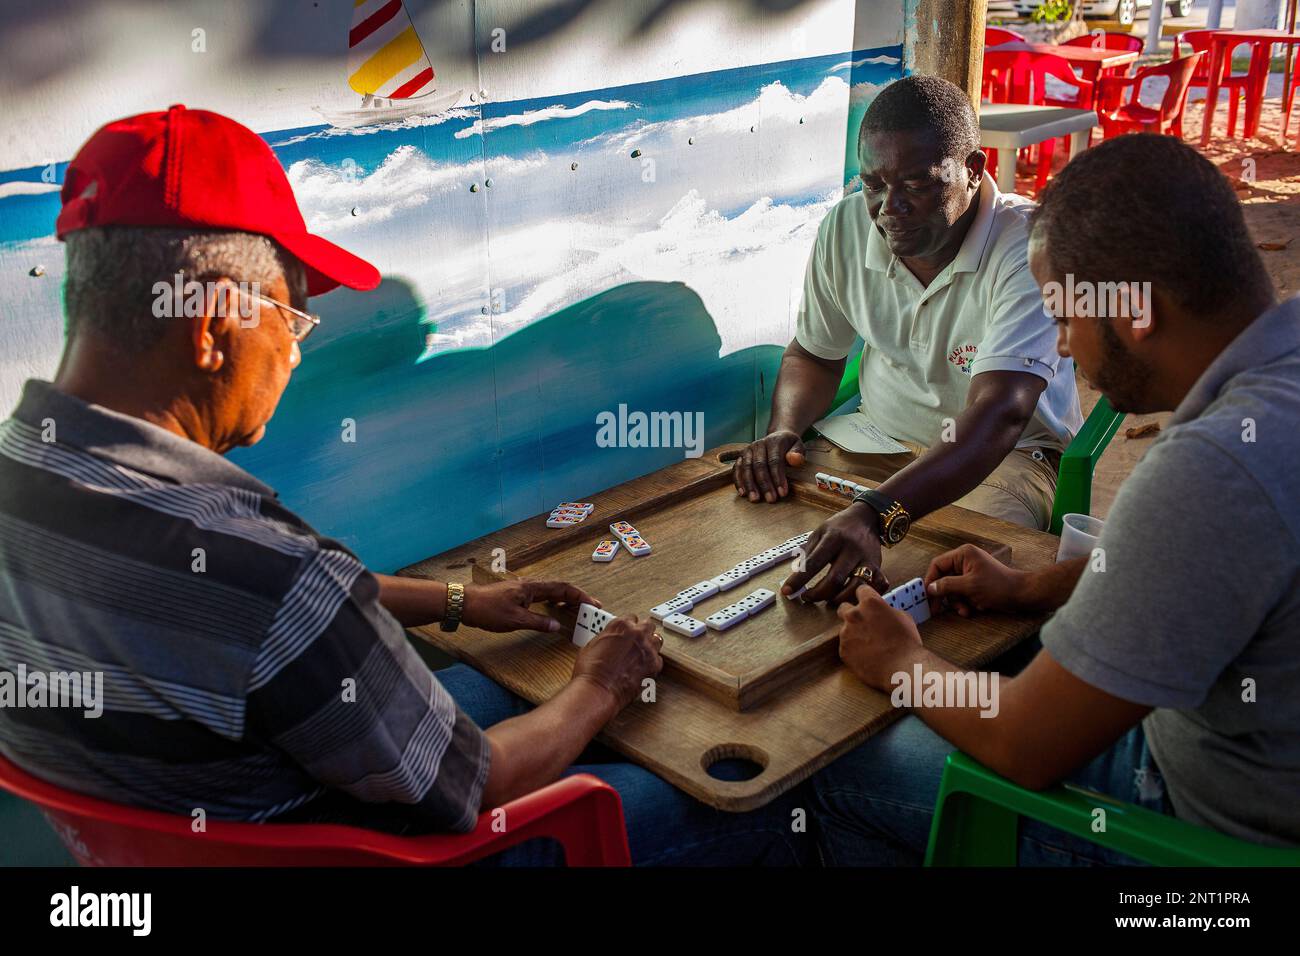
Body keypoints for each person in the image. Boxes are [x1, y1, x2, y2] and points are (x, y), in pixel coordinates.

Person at [0, 106, 811, 866]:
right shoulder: (261, 565)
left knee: (504, 687)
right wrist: (601, 684)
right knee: (754, 792)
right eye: (291, 317)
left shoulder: (25, 476)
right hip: (385, 848)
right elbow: (478, 785)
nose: (293, 353)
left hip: (190, 833)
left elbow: (251, 620)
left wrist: (459, 603)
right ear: (212, 329)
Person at [812, 133, 1300, 863]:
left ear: (1135, 312)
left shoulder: (1211, 468)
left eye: (1066, 318)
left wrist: (899, 663)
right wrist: (1035, 585)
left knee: (830, 768)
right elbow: (1207, 566)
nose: (1064, 348)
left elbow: (1023, 744)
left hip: (1195, 836)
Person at [733, 75, 1081, 606]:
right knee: (771, 539)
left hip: (1006, 460)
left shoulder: (1031, 247)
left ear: (973, 170)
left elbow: (1000, 413)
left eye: (917, 184)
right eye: (873, 184)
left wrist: (877, 512)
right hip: (876, 440)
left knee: (937, 587)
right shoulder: (846, 228)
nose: (888, 208)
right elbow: (814, 356)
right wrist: (784, 429)